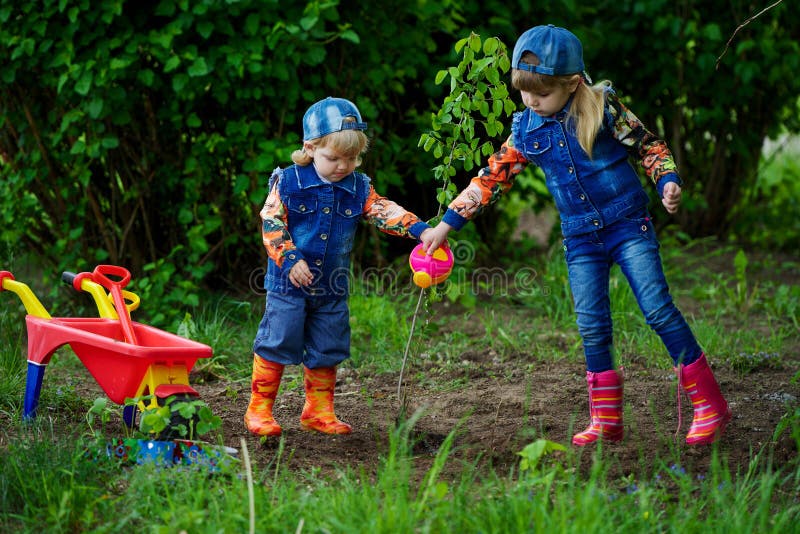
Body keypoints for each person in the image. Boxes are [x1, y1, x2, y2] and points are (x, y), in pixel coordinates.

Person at [423, 25, 731, 446]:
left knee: (657, 308)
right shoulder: (527, 129)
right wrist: (444, 226)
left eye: (541, 93)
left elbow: (649, 146)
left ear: (571, 83)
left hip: (627, 225)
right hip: (581, 238)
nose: (532, 101)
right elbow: (490, 179)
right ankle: (606, 419)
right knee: (591, 325)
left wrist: (667, 182)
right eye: (524, 92)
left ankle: (710, 404)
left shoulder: (603, 108)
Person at [245, 97, 436, 436]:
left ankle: (317, 411)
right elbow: (271, 222)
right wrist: (290, 258)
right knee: (278, 339)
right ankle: (259, 409)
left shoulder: (357, 187)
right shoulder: (288, 183)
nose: (342, 166)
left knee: (328, 345)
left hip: (331, 287)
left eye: (351, 158)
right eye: (333, 158)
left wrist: (421, 230)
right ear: (310, 147)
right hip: (289, 285)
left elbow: (383, 210)